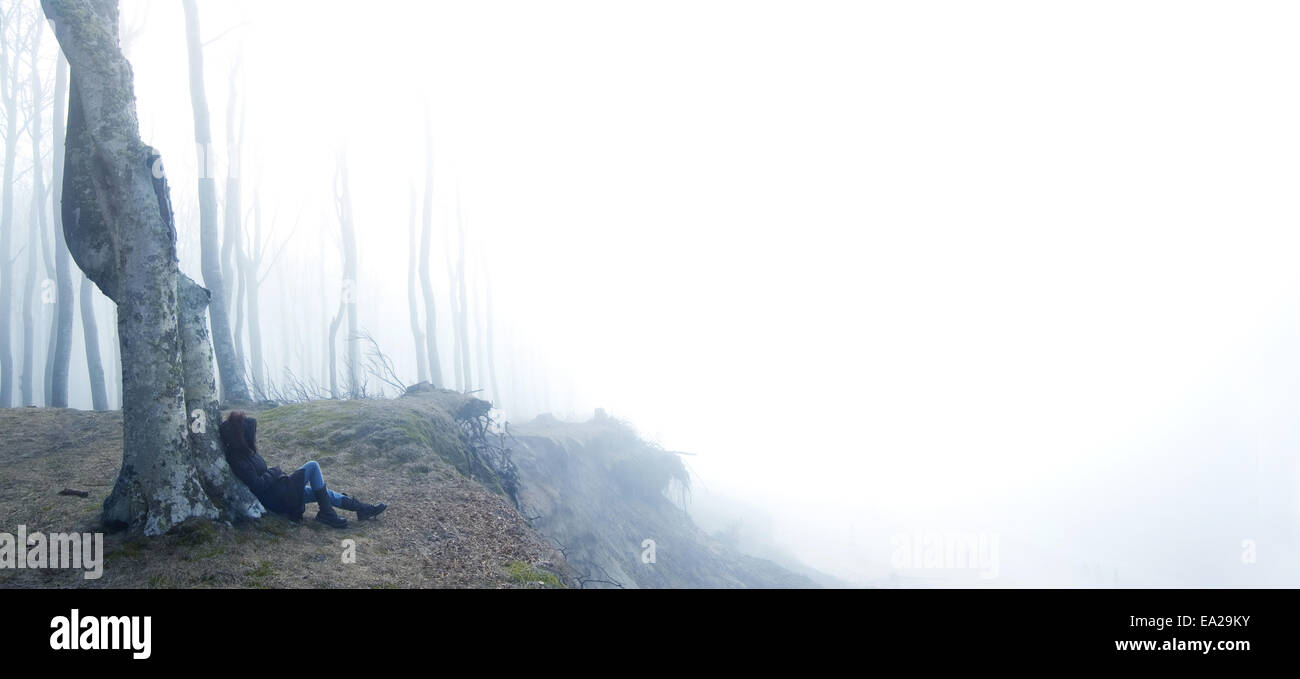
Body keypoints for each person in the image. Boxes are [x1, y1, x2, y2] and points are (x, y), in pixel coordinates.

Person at [219, 411, 386, 528]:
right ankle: (327, 514)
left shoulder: (245, 452)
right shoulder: (236, 458)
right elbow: (257, 485)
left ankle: (362, 509)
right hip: (277, 498)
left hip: (281, 490)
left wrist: (274, 473)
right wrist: (275, 471)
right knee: (312, 465)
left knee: (323, 494)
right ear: (239, 435)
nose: (252, 435)